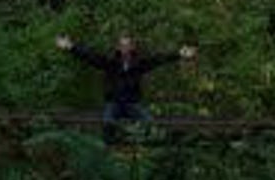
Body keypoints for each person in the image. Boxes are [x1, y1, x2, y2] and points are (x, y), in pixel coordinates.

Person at [56, 32, 197, 142]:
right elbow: (91, 56)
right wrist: (71, 47)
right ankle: (110, 147)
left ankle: (142, 144)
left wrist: (179, 54)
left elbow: (158, 59)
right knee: (107, 124)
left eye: (127, 45)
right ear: (118, 47)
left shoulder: (138, 64)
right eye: (122, 45)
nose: (125, 48)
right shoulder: (111, 63)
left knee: (149, 123)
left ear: (132, 47)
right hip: (114, 103)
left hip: (132, 103)